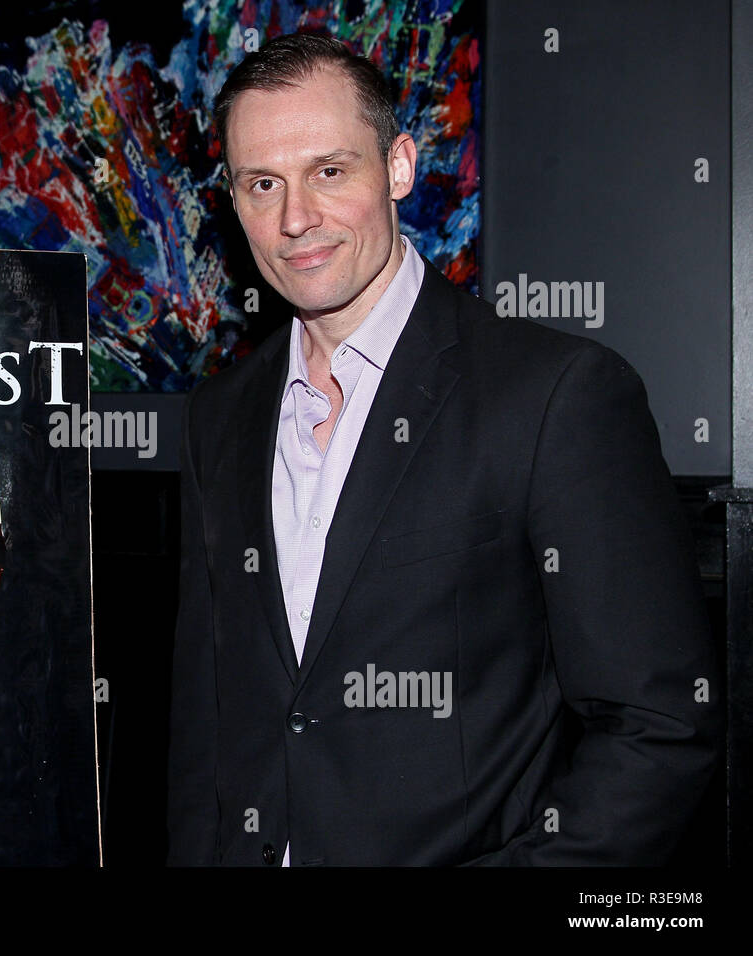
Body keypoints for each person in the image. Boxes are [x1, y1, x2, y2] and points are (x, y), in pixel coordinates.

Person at [167, 32, 720, 866]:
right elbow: (208, 722)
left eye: (328, 171)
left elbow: (659, 724)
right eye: (262, 184)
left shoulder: (553, 395)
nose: (294, 219)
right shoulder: (220, 416)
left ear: (398, 167)